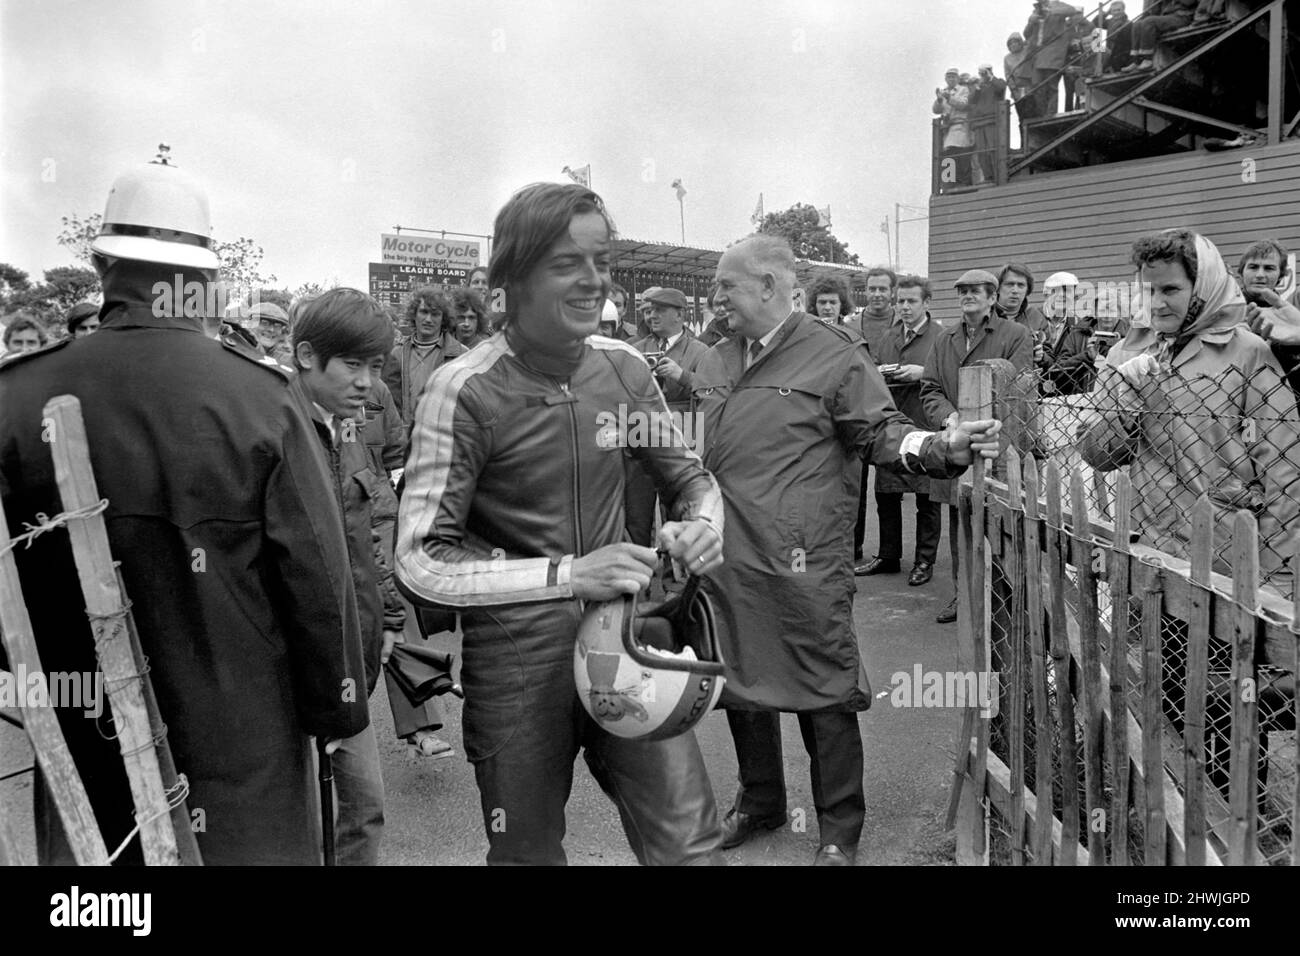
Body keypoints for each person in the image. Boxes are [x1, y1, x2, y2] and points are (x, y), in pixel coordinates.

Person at [0, 156, 367, 865]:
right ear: (201, 278)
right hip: (243, 753)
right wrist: (337, 712)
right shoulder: (262, 400)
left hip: (81, 746)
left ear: (102, 266)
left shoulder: (15, 399)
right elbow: (320, 583)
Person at [394, 181, 726, 866]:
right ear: (514, 276)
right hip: (518, 665)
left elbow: (692, 480)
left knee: (692, 851)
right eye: (567, 263)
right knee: (528, 857)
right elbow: (421, 560)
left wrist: (703, 523)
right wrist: (568, 574)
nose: (592, 280)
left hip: (626, 646)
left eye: (600, 261)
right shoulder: (463, 388)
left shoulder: (625, 367)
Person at [695, 235, 1002, 866]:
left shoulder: (833, 355)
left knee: (823, 685)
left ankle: (839, 828)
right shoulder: (718, 358)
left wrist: (940, 449)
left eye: (727, 284)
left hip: (804, 560)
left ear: (769, 288)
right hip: (727, 555)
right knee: (739, 677)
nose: (717, 295)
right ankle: (760, 802)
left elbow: (881, 433)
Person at [1077, 229, 1300, 797]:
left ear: (1202, 285)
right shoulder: (1142, 354)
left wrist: (1274, 581)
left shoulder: (1249, 352)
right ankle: (1182, 816)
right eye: (1148, 290)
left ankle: (1238, 824)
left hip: (1230, 570)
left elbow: (1283, 476)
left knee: (1231, 710)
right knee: (1172, 699)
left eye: (1171, 289)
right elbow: (1101, 455)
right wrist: (1119, 389)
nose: (1157, 303)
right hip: (1159, 562)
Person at [288, 287, 406, 866]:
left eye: (376, 366)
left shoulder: (350, 432)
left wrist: (387, 612)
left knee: (363, 810)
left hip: (354, 660)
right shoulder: (276, 434)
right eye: (353, 365)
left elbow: (364, 540)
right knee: (305, 824)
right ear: (307, 356)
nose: (367, 382)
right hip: (295, 672)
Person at [921, 268, 1034, 624]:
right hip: (956, 447)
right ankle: (964, 596)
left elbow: (1019, 389)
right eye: (962, 291)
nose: (968, 296)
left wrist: (983, 422)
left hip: (995, 446)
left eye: (975, 291)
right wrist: (950, 418)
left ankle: (1002, 598)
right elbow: (930, 388)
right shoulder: (945, 338)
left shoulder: (1015, 335)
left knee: (1000, 524)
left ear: (992, 297)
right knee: (960, 525)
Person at [858, 275, 944, 587]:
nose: (904, 307)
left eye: (911, 301)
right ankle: (888, 554)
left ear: (926, 303)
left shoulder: (941, 336)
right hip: (893, 424)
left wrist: (923, 374)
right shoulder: (890, 336)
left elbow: (950, 379)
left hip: (925, 423)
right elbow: (874, 371)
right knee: (887, 495)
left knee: (927, 499)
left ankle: (924, 561)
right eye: (901, 301)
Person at [848, 266, 898, 573]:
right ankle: (853, 547)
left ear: (892, 291)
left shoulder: (900, 322)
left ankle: (889, 553)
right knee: (855, 483)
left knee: (890, 487)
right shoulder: (853, 325)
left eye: (883, 288)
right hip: (859, 408)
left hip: (893, 409)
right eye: (872, 288)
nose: (877, 294)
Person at [382, 286, 466, 424]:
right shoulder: (396, 354)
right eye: (423, 312)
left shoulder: (461, 354)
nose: (428, 319)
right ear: (414, 314)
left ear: (443, 318)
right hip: (405, 437)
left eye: (435, 314)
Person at [1025, 1, 1084, 115]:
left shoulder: (1090, 26)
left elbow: (1071, 10)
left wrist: (1051, 11)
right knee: (1038, 87)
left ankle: (1051, 115)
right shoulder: (1036, 14)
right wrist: (1031, 22)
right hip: (1040, 56)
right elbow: (1027, 34)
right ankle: (1042, 115)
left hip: (1066, 58)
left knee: (1054, 87)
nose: (1078, 17)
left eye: (1080, 14)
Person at [1125, 0, 1197, 72]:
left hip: (1182, 17)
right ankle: (1136, 61)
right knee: (1136, 25)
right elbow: (1155, 11)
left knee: (1149, 21)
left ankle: (1148, 59)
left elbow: (1189, 2)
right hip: (1167, 17)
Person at [967, 64, 1008, 185]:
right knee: (981, 152)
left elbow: (1001, 88)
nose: (982, 75)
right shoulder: (979, 86)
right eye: (981, 73)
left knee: (993, 149)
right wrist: (978, 87)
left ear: (990, 71)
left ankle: (997, 175)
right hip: (979, 122)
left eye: (984, 72)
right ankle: (988, 176)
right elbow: (971, 100)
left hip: (991, 120)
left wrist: (991, 77)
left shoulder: (997, 82)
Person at [933, 68, 973, 188]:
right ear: (945, 79)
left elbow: (963, 104)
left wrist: (949, 98)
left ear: (957, 78)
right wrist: (939, 100)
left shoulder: (963, 90)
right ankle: (949, 183)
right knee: (948, 156)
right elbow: (936, 110)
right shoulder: (944, 91)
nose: (951, 79)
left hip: (959, 126)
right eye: (949, 77)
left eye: (953, 77)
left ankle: (964, 182)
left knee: (961, 154)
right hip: (947, 128)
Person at [1005, 32, 1039, 124]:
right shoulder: (1007, 58)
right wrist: (1013, 89)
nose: (1013, 45)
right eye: (1011, 43)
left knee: (1032, 114)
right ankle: (1023, 137)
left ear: (1020, 42)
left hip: (1030, 87)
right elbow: (1008, 75)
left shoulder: (1027, 51)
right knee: (1021, 116)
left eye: (1015, 42)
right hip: (1017, 90)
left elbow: (1032, 45)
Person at [249, 301, 294, 367]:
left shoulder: (286, 360)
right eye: (264, 323)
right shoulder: (236, 348)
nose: (271, 329)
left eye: (277, 325)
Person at [1095, 1, 1133, 73]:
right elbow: (1096, 22)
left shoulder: (1128, 24)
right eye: (1114, 10)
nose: (1116, 12)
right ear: (1111, 12)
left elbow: (1127, 45)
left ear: (1123, 10)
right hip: (1111, 54)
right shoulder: (1110, 22)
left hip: (1122, 57)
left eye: (1119, 10)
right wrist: (1106, 13)